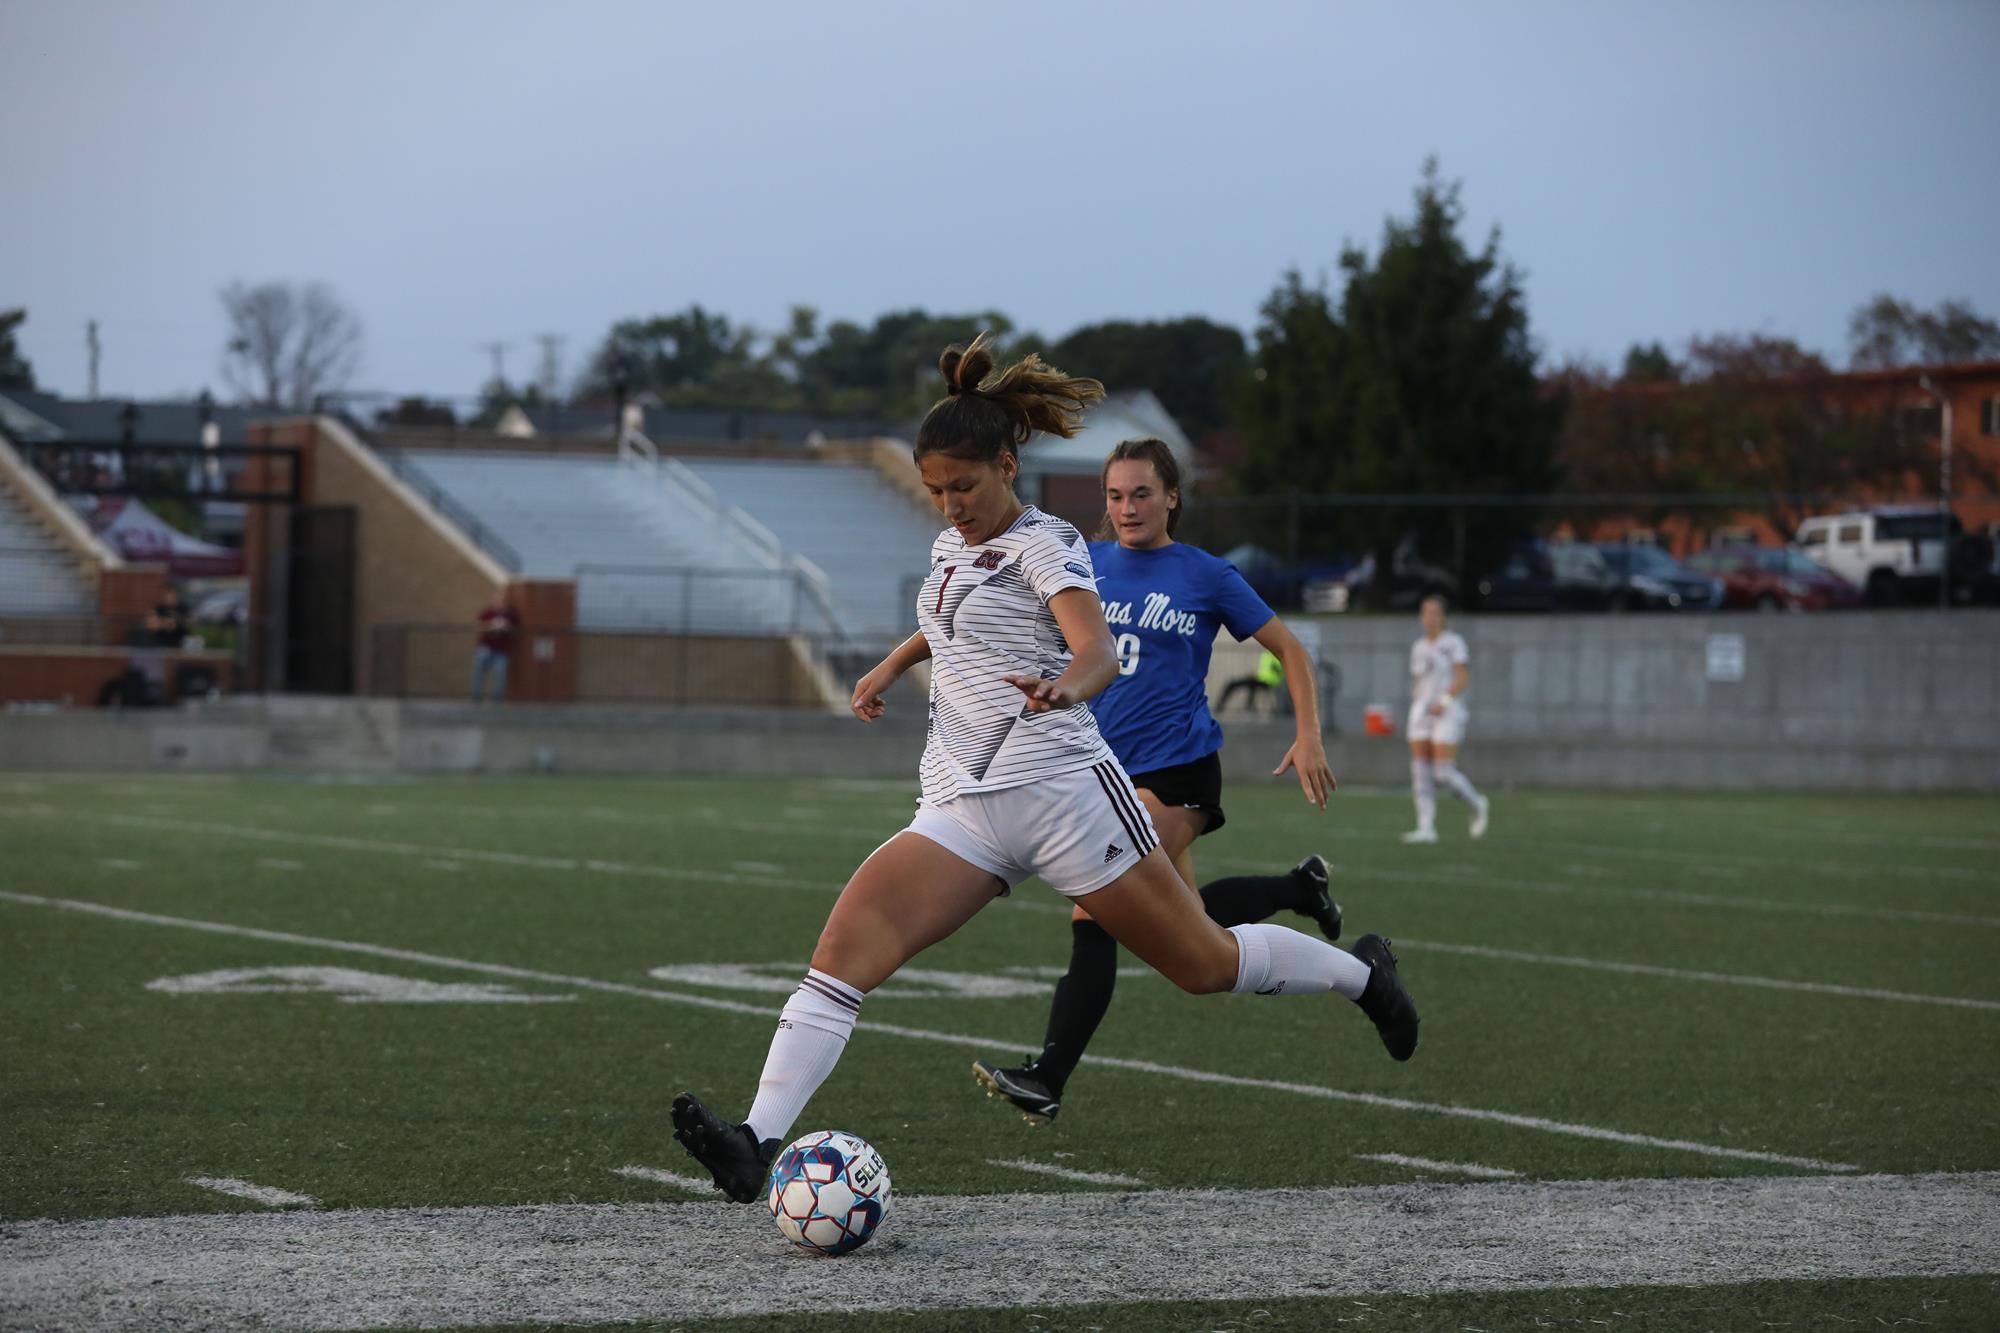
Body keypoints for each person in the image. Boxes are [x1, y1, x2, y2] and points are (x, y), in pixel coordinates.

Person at [670, 337, 1419, 1202]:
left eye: (965, 486)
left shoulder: (1050, 543)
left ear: (1008, 465)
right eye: (937, 490)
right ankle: (755, 1142)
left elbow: (1096, 648)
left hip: (1069, 799)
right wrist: (889, 665)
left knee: (1204, 963)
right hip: (962, 804)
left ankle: (1366, 975)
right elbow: (956, 620)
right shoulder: (955, 543)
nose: (951, 504)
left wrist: (1068, 687)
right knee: (841, 955)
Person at [971, 436, 1346, 1124]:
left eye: (1142, 492)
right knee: (1192, 924)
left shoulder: (1205, 574)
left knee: (1098, 907)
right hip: (1101, 774)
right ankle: (1301, 886)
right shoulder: (1084, 561)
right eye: (1115, 496)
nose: (1127, 507)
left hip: (1178, 770)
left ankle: (1050, 1074)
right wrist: (895, 663)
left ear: (1172, 495)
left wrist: (1309, 731)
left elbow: (1289, 647)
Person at [1402, 594, 1488, 844]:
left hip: (1447, 710)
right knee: (1420, 770)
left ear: (1442, 616)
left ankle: (1477, 802)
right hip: (1422, 711)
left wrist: (1445, 701)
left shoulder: (1453, 642)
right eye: (1424, 612)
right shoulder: (1418, 647)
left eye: (1433, 612)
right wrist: (1420, 708)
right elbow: (1419, 681)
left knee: (1442, 772)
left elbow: (1461, 676)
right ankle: (1426, 827)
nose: (1428, 618)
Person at [472, 596, 518, 703]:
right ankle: (476, 696)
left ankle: (497, 698)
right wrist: (491, 625)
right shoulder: (488, 613)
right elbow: (478, 625)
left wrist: (506, 627)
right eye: (497, 602)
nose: (499, 604)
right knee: (478, 673)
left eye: (502, 602)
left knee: (499, 675)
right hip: (485, 648)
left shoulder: (510, 615)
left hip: (500, 650)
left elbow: (515, 630)